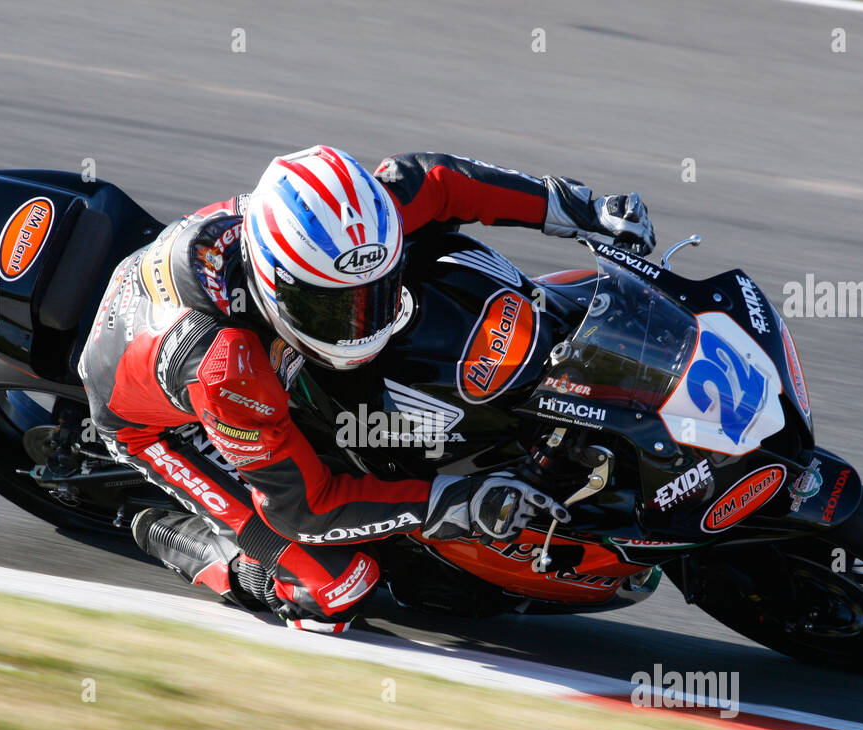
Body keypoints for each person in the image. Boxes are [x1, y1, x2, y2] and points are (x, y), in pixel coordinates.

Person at [77, 146, 654, 632]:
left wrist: (583, 209)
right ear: (279, 288)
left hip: (250, 346)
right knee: (334, 589)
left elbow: (441, 181)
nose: (365, 319)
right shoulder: (227, 369)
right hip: (154, 425)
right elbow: (304, 507)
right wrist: (442, 503)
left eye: (377, 292)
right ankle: (161, 527)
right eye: (339, 307)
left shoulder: (350, 227)